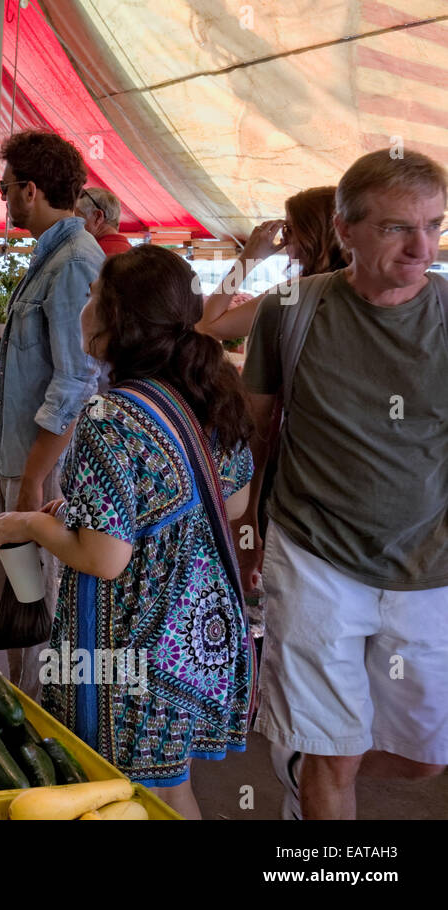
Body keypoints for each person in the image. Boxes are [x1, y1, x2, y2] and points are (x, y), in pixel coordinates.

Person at [0, 244, 255, 819]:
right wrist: (86, 510)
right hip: (199, 637)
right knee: (166, 788)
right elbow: (231, 504)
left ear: (115, 320)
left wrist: (31, 521)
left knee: (120, 792)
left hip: (138, 647)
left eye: (91, 296)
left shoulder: (111, 416)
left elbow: (104, 558)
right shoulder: (210, 393)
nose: (84, 306)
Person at [241, 150, 448, 821]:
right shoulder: (292, 310)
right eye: (396, 228)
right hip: (313, 557)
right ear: (345, 229)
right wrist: (249, 533)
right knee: (335, 755)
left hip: (429, 566)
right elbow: (259, 434)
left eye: (435, 225)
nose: (422, 247)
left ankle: (309, 755)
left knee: (424, 759)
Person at [0, 129, 105, 699]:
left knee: (39, 594)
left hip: (47, 466)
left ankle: (38, 713)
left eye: (7, 187)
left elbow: (77, 379)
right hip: (26, 460)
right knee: (21, 583)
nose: (3, 198)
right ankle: (22, 695)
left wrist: (33, 476)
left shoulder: (75, 263)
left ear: (30, 190)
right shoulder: (52, 256)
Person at [197, 186, 348, 342]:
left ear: (311, 233)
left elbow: (207, 328)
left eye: (288, 228)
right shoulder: (356, 285)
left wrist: (248, 258)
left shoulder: (297, 292)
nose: (284, 237)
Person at [75, 187, 131, 257]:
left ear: (98, 217)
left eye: (78, 217)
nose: (74, 223)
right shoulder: (132, 252)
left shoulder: (89, 254)